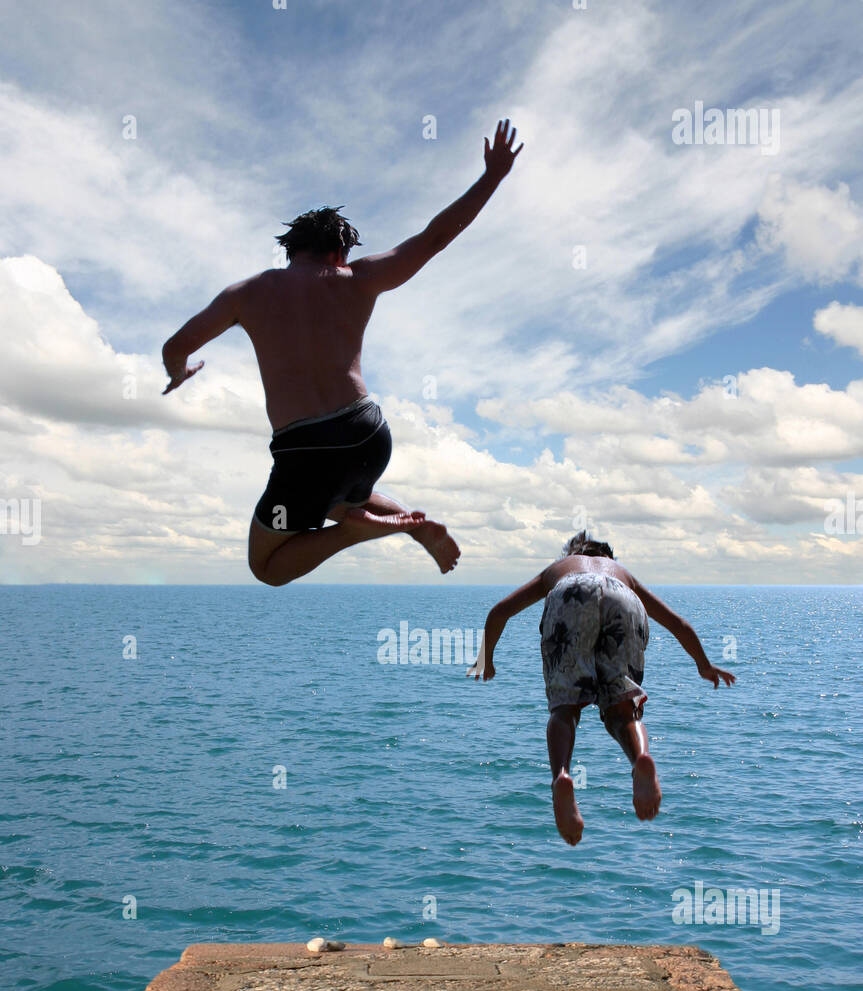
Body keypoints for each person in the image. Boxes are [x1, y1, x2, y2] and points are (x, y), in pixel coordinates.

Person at [161, 119, 524, 585]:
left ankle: (352, 533)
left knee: (266, 566)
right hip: (367, 433)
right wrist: (493, 176)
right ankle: (407, 526)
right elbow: (434, 238)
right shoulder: (360, 279)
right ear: (341, 250)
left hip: (305, 448)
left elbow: (176, 346)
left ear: (291, 250)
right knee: (334, 491)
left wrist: (179, 372)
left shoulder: (246, 294)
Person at [468, 531, 735, 846]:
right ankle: (641, 760)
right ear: (609, 557)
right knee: (623, 709)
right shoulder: (622, 575)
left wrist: (486, 658)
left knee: (565, 708)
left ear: (573, 551)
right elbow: (678, 624)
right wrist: (703, 664)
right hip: (624, 599)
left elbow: (500, 611)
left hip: (569, 595)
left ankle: (562, 777)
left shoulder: (561, 567)